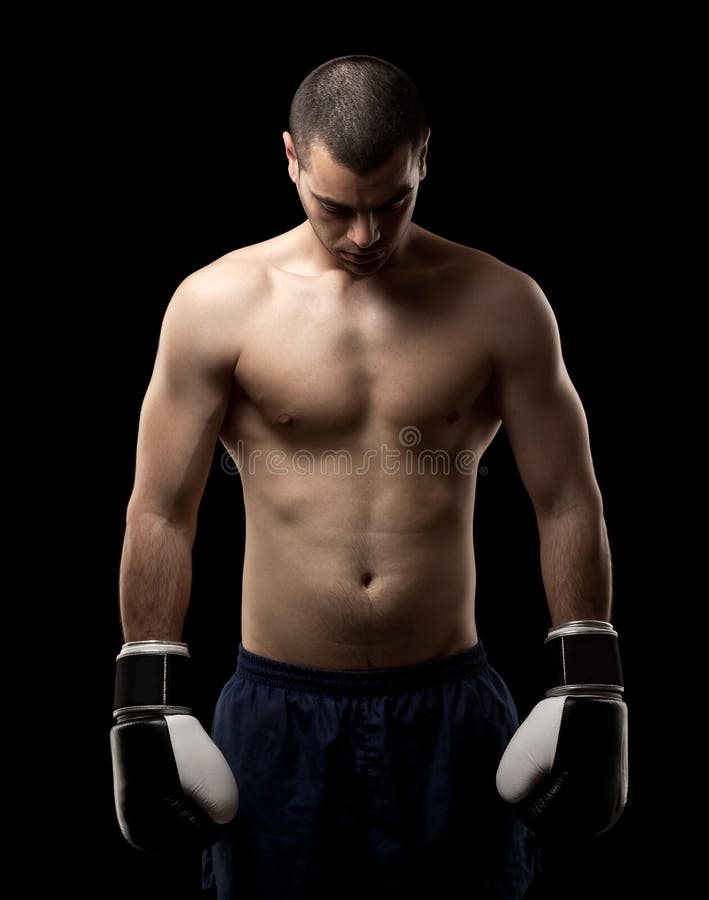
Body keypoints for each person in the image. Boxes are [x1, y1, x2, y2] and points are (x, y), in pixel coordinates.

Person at [110, 55, 628, 899]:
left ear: (424, 154)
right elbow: (162, 509)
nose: (364, 236)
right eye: (334, 207)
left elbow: (566, 494)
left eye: (390, 202)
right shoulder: (218, 304)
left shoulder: (501, 303)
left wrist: (591, 679)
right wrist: (145, 700)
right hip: (276, 710)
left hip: (450, 705)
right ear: (289, 159)